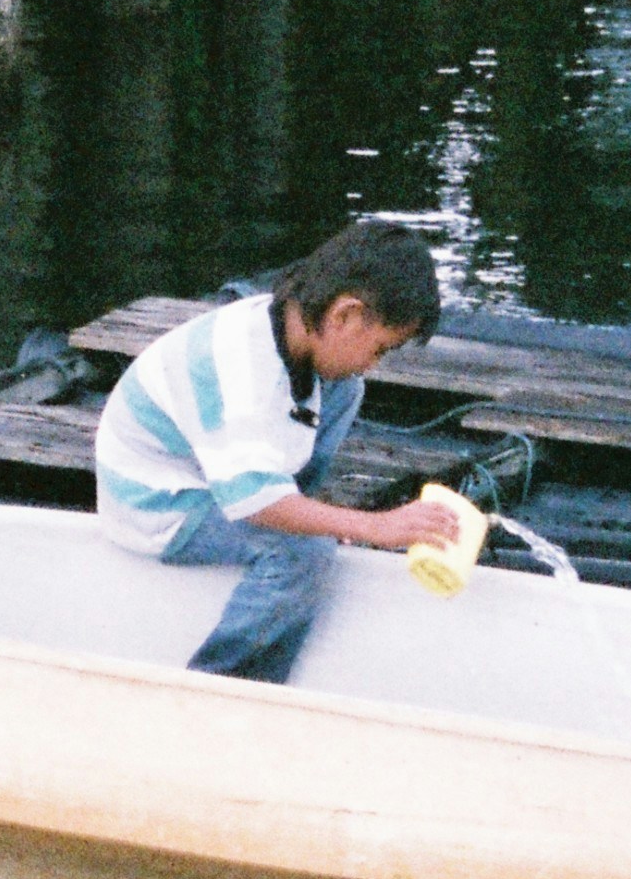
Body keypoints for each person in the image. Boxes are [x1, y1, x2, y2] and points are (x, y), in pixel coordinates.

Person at [93, 221, 461, 683]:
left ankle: (294, 513)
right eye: (381, 348)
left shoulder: (289, 326)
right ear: (345, 315)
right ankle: (219, 688)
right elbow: (252, 501)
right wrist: (372, 526)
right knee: (303, 551)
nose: (375, 363)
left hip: (210, 474)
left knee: (345, 391)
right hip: (153, 500)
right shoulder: (245, 367)